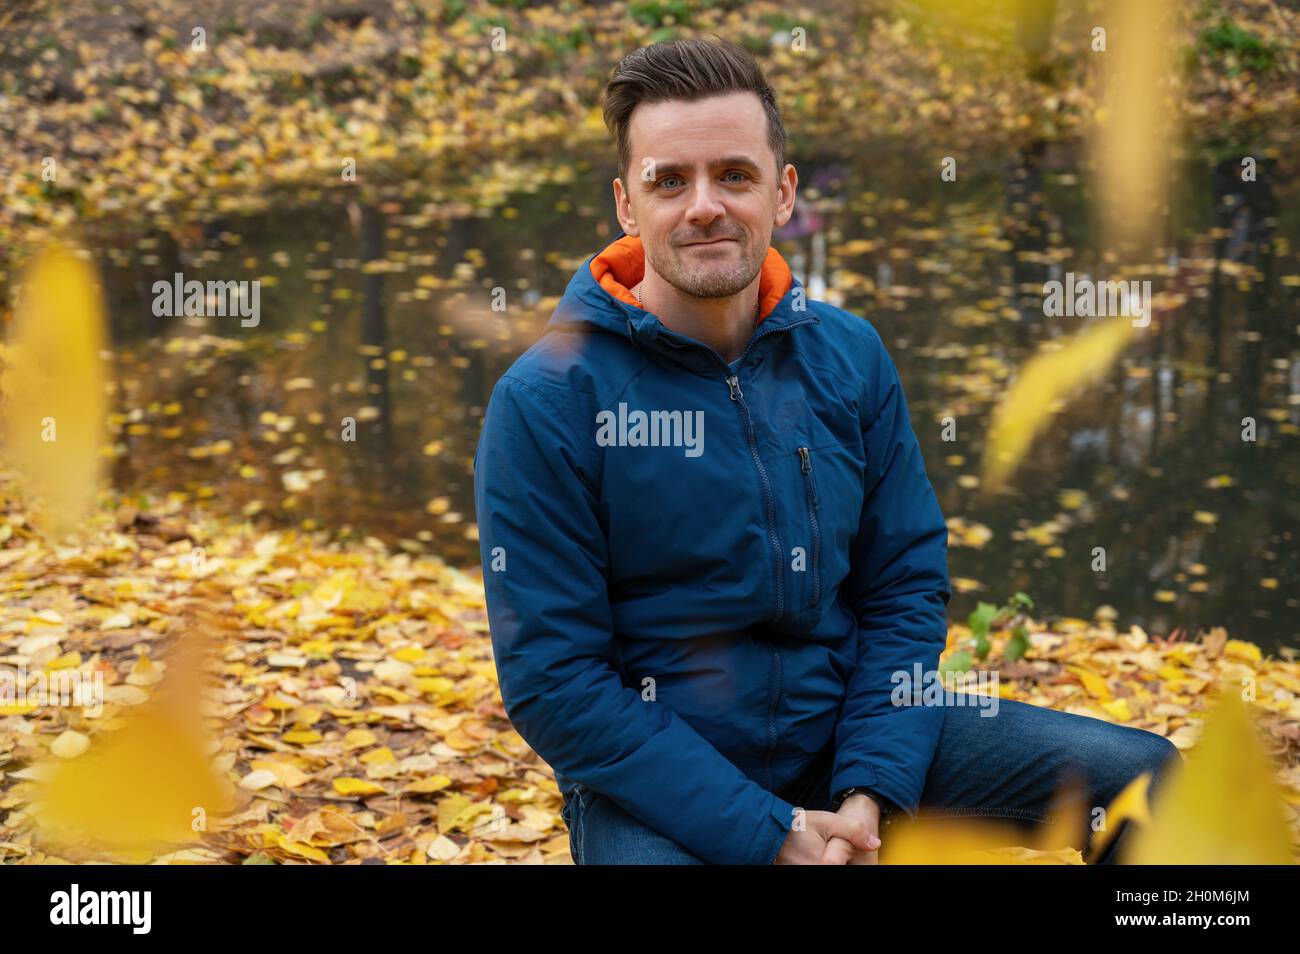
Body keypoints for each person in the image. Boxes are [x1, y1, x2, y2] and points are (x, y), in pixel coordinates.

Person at [473, 36, 1182, 865]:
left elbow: (904, 584)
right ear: (629, 206)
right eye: (670, 180)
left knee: (1149, 782)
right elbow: (556, 685)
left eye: (734, 175)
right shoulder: (548, 399)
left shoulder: (848, 355)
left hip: (848, 729)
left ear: (783, 193)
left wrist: (871, 787)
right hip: (661, 782)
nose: (703, 205)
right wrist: (769, 833)